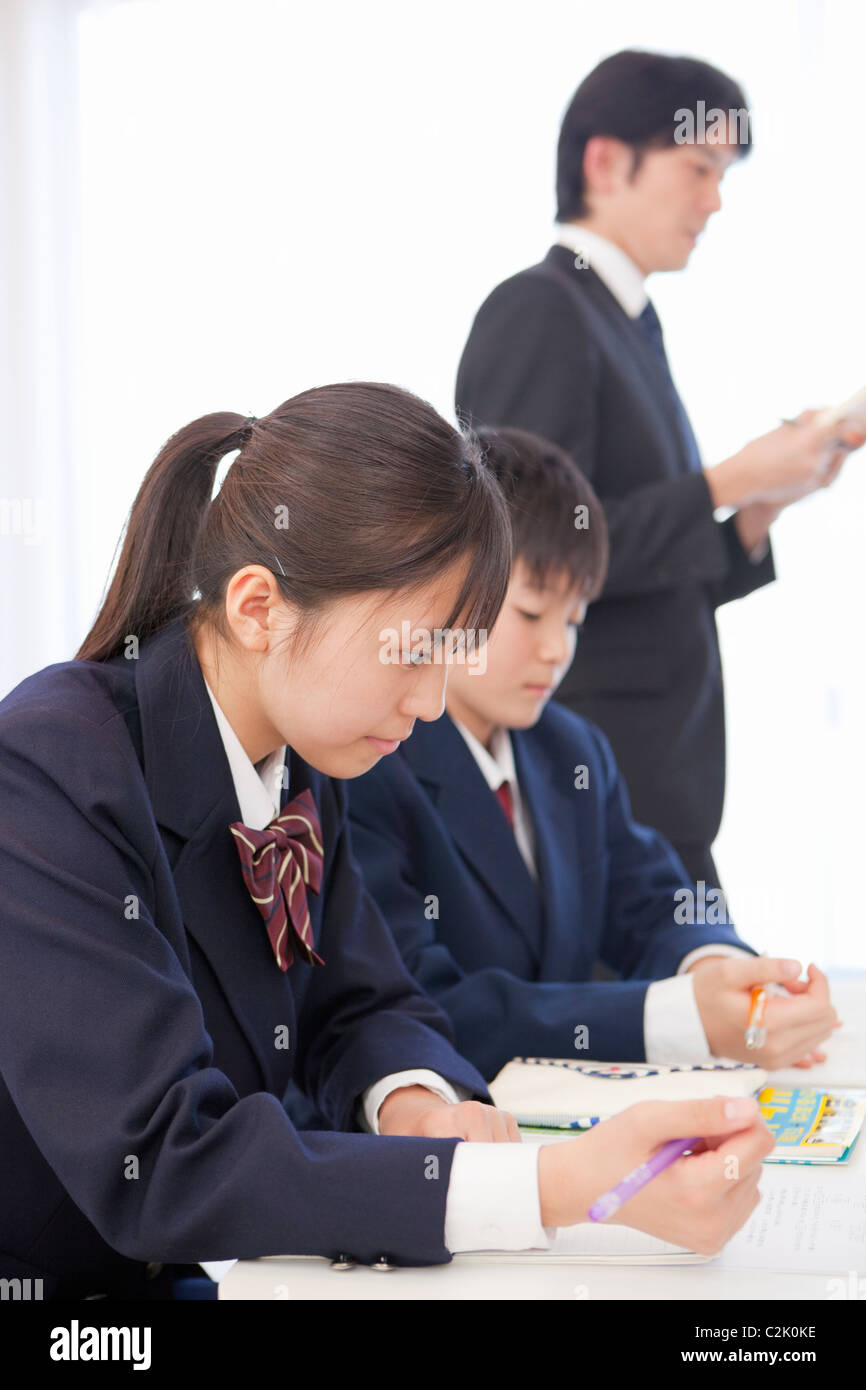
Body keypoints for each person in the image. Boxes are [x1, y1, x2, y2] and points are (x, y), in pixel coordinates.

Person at [0, 383, 772, 1299]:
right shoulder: (50, 768)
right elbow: (166, 1159)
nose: (432, 703)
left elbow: (363, 1002)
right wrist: (548, 1186)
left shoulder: (304, 753)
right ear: (259, 610)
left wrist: (411, 1099)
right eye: (414, 652)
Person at [454, 49, 866, 890]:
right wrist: (730, 481)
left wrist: (758, 510)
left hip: (652, 782)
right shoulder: (541, 307)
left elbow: (626, 562)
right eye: (699, 167)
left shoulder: (625, 320)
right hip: (595, 775)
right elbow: (530, 558)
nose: (714, 200)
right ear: (607, 162)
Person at [347, 426, 841, 1083]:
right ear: (448, 591)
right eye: (530, 613)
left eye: (575, 619)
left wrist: (719, 972)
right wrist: (677, 1017)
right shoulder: (370, 762)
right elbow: (428, 1005)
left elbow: (654, 900)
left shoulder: (569, 748)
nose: (557, 649)